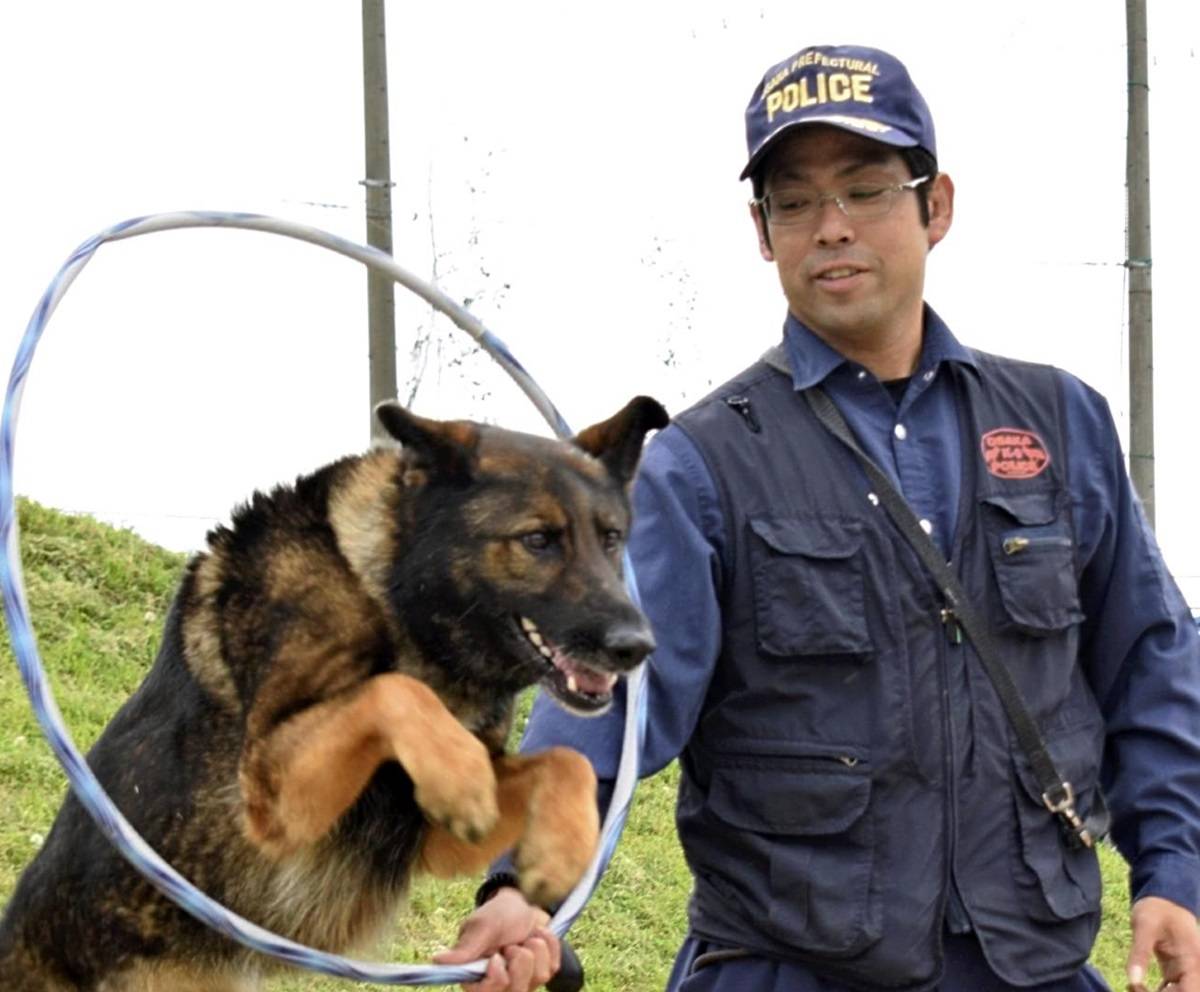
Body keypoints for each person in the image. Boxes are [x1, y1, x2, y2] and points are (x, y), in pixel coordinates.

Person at [434, 43, 1200, 991]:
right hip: (786, 964)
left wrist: (1176, 875)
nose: (831, 227)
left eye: (867, 189)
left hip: (1029, 963)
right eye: (794, 202)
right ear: (763, 233)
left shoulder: (1059, 423)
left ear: (938, 204)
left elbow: (1152, 664)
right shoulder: (702, 465)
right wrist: (524, 889)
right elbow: (615, 702)